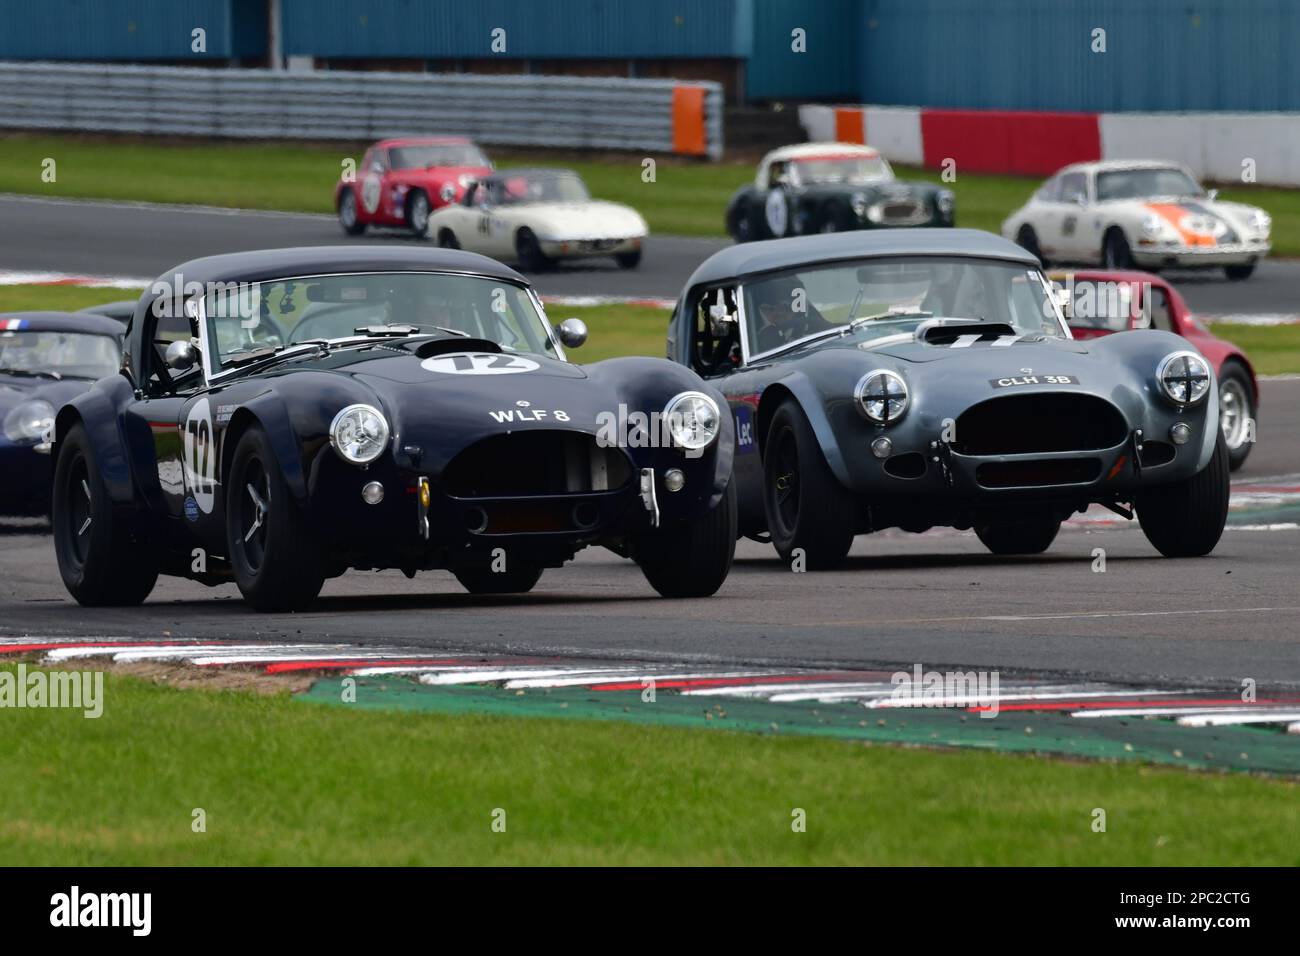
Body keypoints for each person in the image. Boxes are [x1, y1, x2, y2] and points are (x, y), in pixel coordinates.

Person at [750, 276, 827, 352]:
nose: (780, 313)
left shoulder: (814, 324)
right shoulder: (751, 338)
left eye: (787, 308)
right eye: (770, 309)